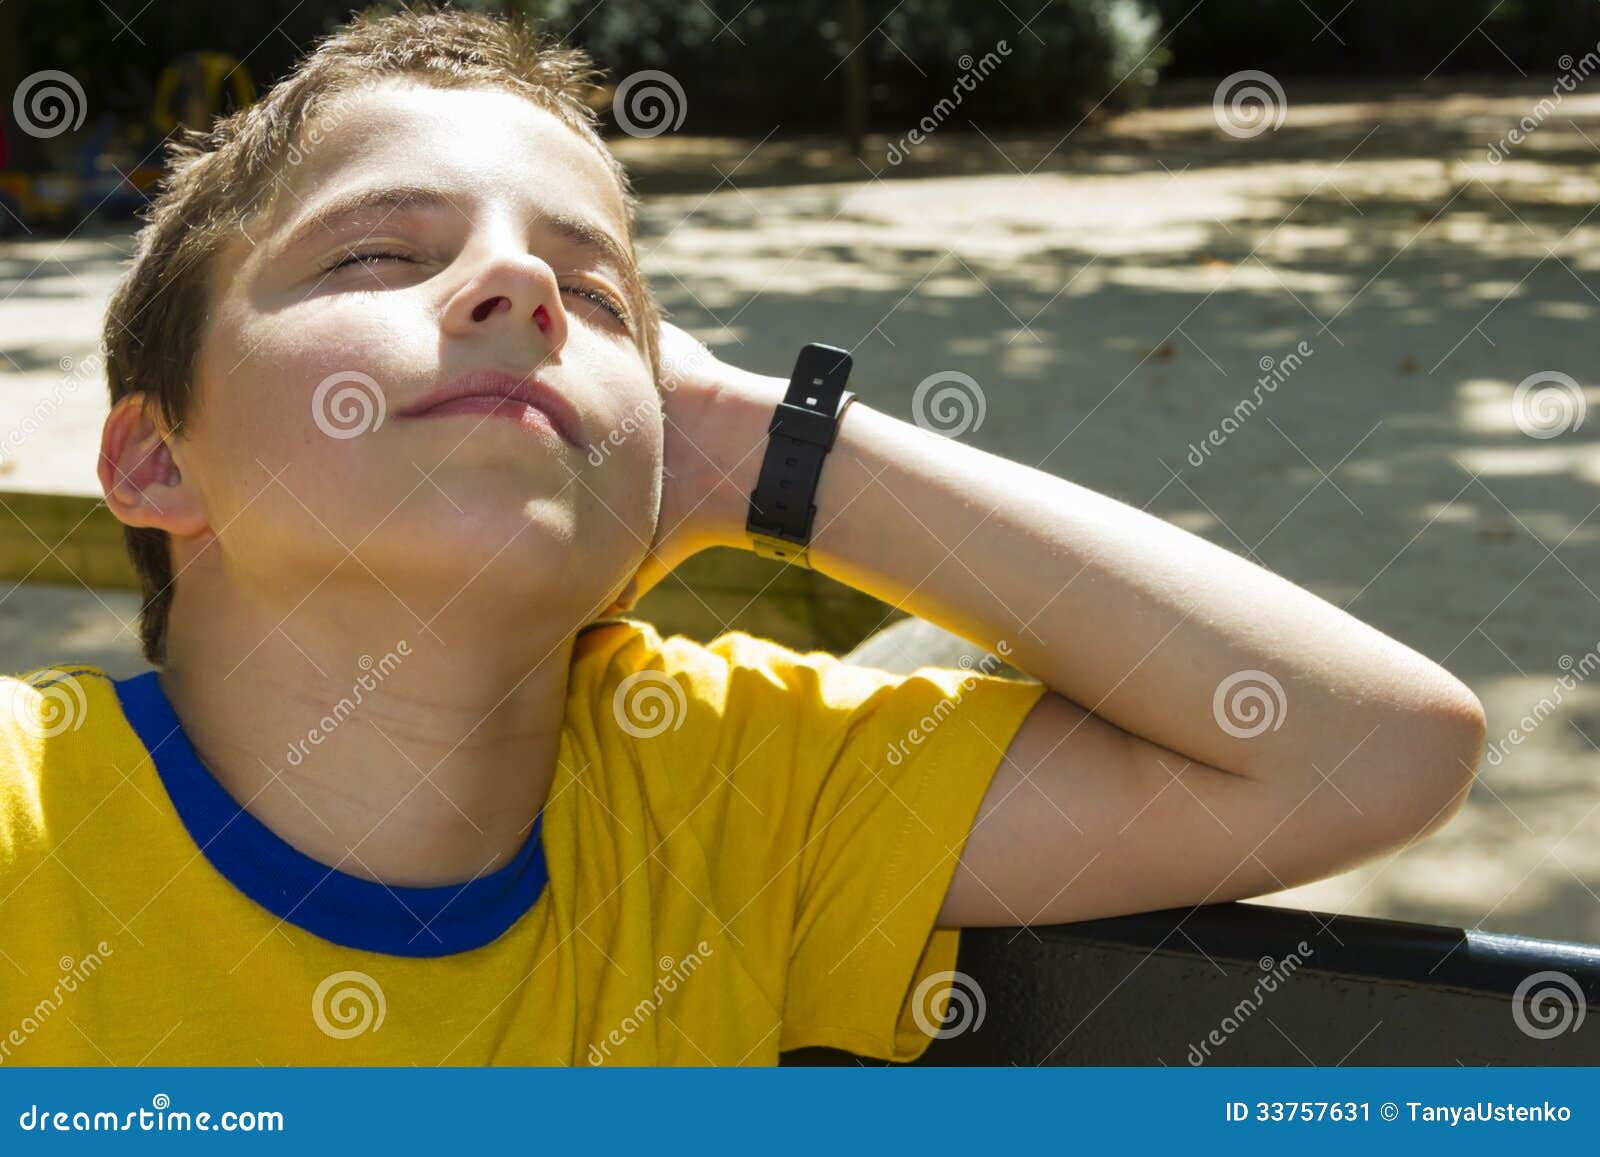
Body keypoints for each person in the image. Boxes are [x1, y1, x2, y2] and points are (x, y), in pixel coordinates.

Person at [0, 5, 1484, 1066]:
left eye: (594, 296)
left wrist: (754, 449)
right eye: (381, 249)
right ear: (152, 454)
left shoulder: (729, 800)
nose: (516, 285)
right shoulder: (28, 814)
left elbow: (1370, 747)